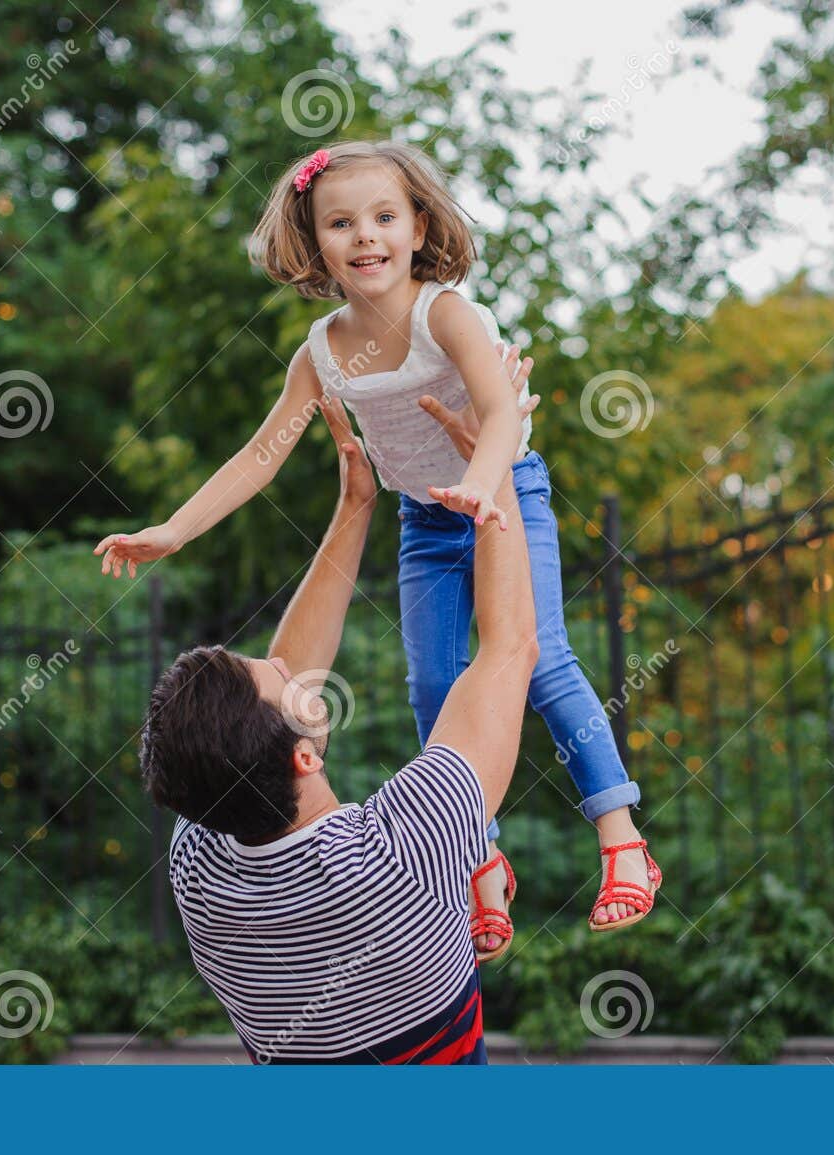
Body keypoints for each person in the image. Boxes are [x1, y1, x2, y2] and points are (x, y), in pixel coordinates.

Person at [96, 140, 660, 960]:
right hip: (424, 521)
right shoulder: (322, 351)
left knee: (540, 660)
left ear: (418, 225)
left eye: (384, 218)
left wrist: (482, 480)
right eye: (342, 222)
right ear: (313, 239)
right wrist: (172, 529)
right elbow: (263, 453)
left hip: (506, 490)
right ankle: (479, 858)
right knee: (434, 681)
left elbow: (502, 411)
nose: (366, 237)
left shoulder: (446, 314)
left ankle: (620, 836)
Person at [134, 356, 536, 1063]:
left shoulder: (201, 862)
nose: (290, 663)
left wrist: (355, 508)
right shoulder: (405, 847)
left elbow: (258, 727)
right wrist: (492, 462)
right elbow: (509, 650)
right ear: (304, 755)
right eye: (282, 678)